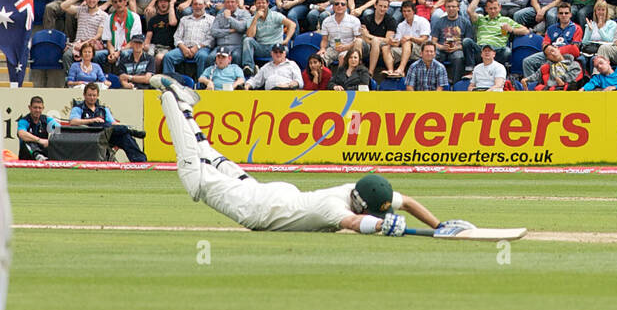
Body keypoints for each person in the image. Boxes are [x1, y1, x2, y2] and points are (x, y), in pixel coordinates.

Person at [151, 78, 446, 233]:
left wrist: (439, 225)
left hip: (273, 198)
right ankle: (170, 98)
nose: (374, 214)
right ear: (359, 202)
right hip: (258, 209)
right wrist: (382, 225)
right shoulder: (333, 206)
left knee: (210, 155)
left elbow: (406, 201)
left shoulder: (354, 192)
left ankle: (186, 106)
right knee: (196, 179)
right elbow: (355, 224)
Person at [67, 82, 147, 161]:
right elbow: (73, 122)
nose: (92, 98)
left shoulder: (103, 109)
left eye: (94, 95)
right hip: (89, 135)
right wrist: (92, 120)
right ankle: (130, 130)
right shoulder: (78, 108)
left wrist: (121, 126)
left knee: (125, 136)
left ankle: (140, 161)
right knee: (98, 124)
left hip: (106, 135)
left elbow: (113, 123)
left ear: (98, 96)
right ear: (84, 95)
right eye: (89, 95)